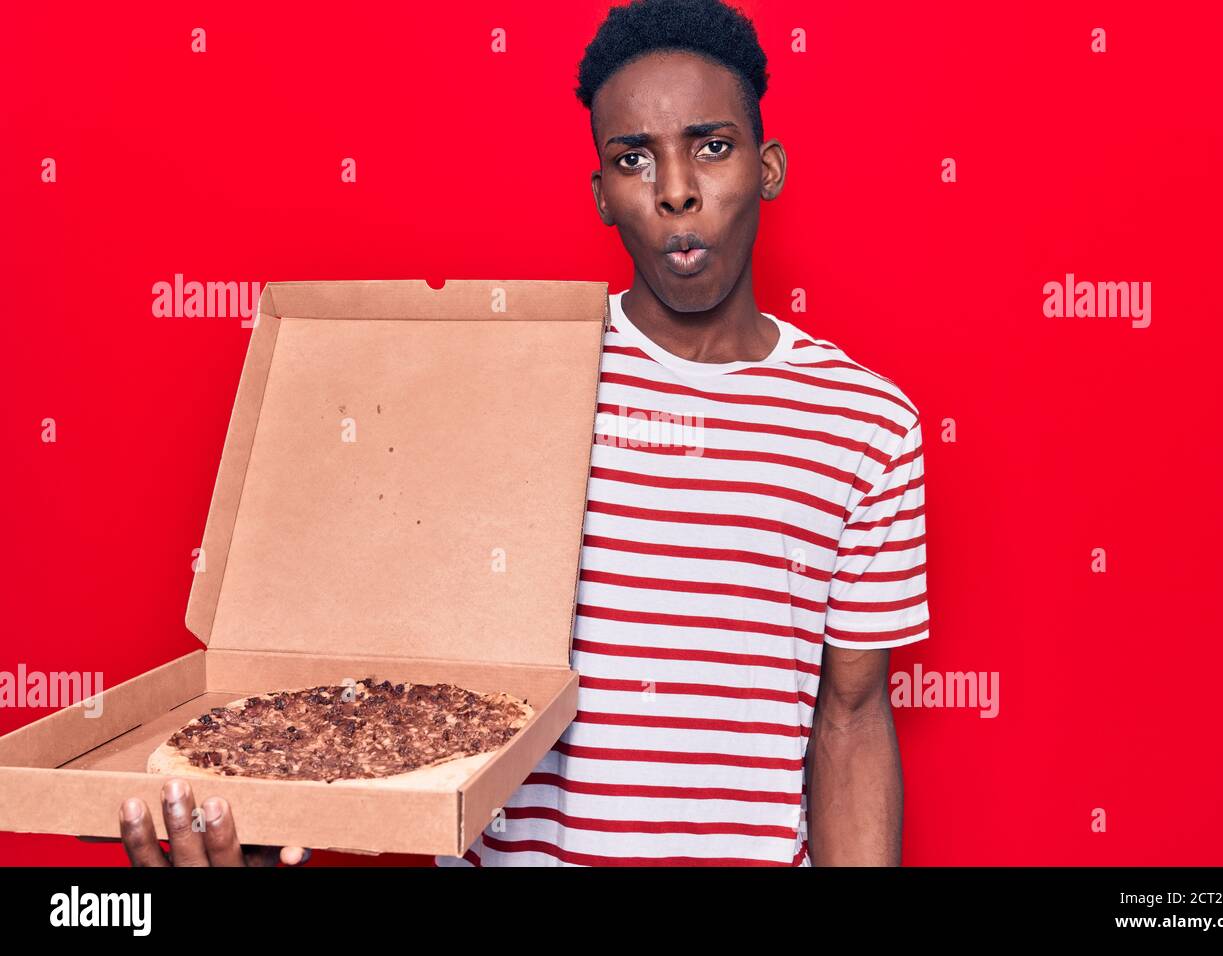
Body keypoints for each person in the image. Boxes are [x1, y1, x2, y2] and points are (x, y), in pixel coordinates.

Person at [105, 0, 929, 867]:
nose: (677, 188)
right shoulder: (511, 380)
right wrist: (273, 802)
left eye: (711, 147)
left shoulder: (865, 424)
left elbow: (852, 715)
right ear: (603, 196)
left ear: (768, 168)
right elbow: (383, 659)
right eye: (633, 159)